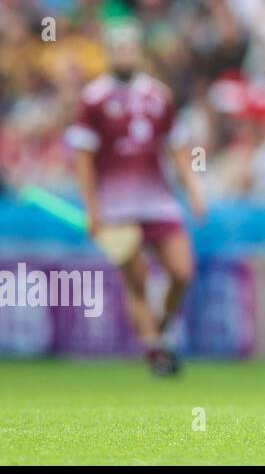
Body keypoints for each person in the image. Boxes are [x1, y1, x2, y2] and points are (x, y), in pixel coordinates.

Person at [66, 19, 205, 375]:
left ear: (138, 51)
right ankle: (156, 351)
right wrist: (92, 209)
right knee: (137, 280)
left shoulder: (159, 95)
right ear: (108, 53)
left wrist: (193, 190)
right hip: (116, 206)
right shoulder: (93, 99)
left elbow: (176, 148)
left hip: (158, 200)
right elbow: (83, 159)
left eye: (129, 47)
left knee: (182, 272)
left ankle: (156, 334)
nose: (123, 54)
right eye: (117, 48)